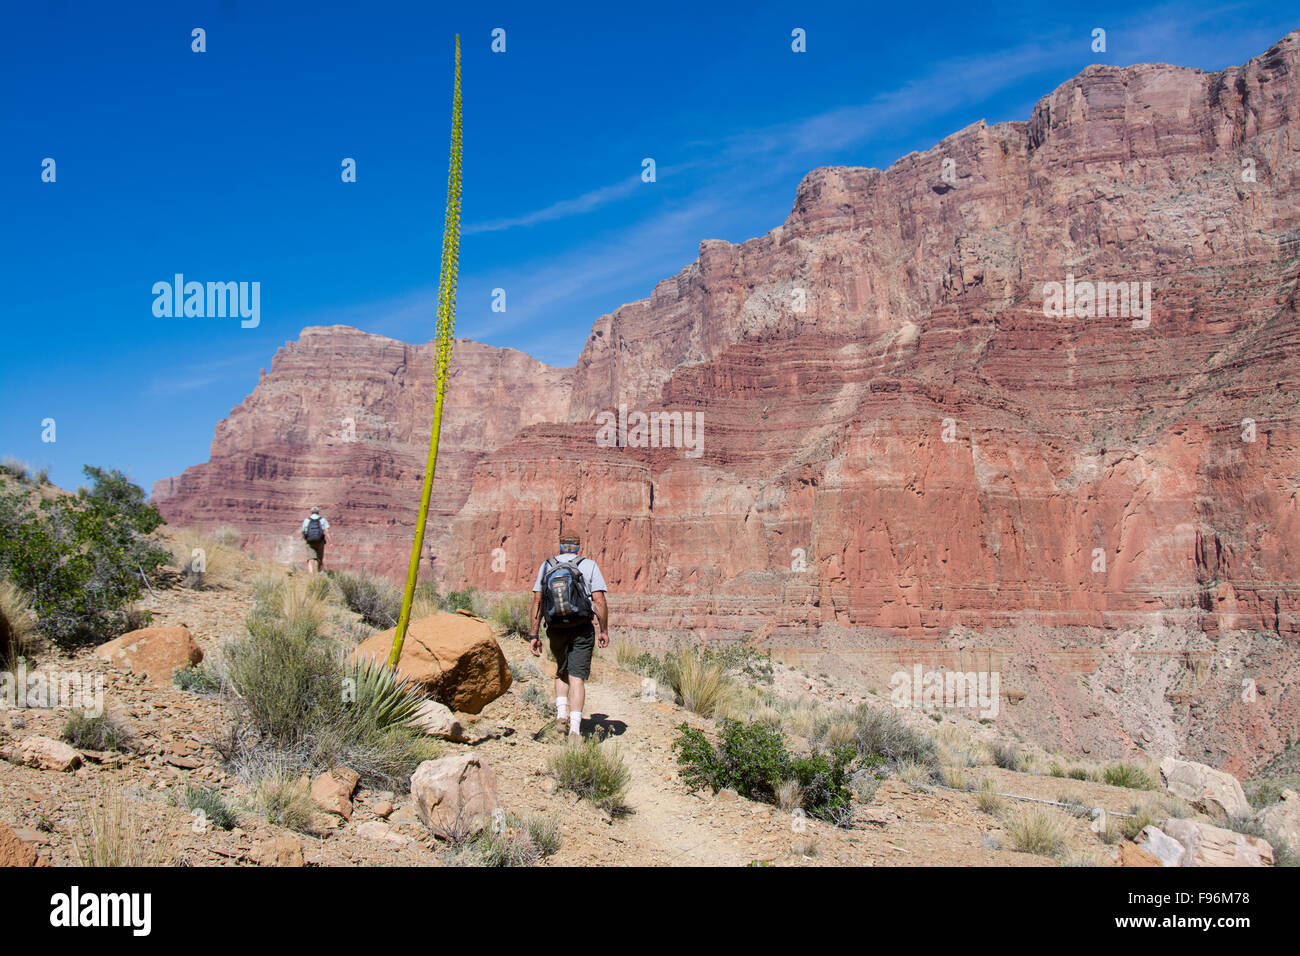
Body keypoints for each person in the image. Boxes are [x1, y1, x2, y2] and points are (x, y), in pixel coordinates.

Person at [528, 532, 609, 737]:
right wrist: (604, 630)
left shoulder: (547, 565)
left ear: (561, 546)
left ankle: (561, 715)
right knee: (577, 678)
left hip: (555, 627)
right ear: (579, 546)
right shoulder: (589, 565)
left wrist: (533, 634)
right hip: (582, 628)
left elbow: (537, 602)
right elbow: (599, 600)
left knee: (561, 670)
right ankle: (574, 728)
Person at [301, 507, 330, 573]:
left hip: (310, 541)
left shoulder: (306, 520)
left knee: (310, 559)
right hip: (320, 541)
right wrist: (330, 542)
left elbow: (303, 531)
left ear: (311, 512)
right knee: (319, 559)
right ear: (318, 512)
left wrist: (305, 538)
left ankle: (311, 576)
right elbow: (327, 532)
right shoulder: (323, 520)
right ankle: (318, 574)